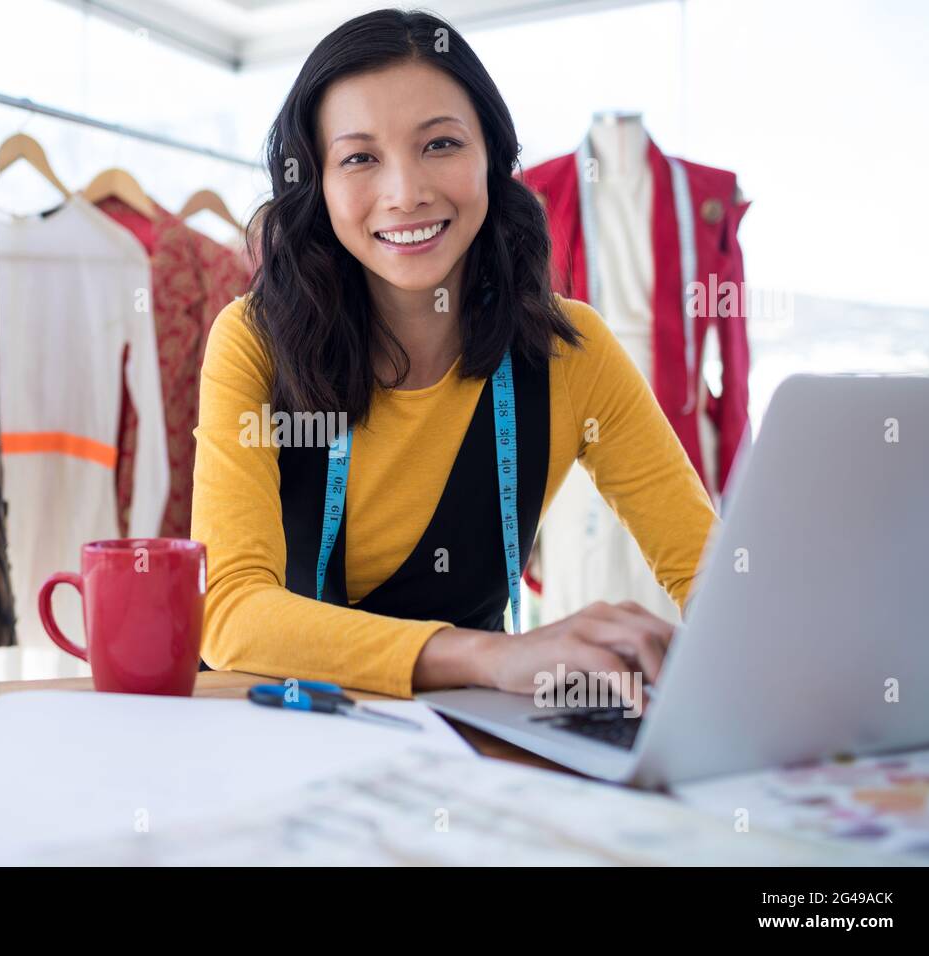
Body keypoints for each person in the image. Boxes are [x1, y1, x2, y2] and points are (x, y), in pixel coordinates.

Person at [190, 8, 718, 699]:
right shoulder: (254, 343)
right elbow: (230, 616)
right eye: (359, 157)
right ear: (314, 183)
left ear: (494, 159)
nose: (406, 193)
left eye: (440, 145)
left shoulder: (569, 353)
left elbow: (713, 573)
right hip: (283, 738)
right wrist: (490, 657)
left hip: (469, 748)